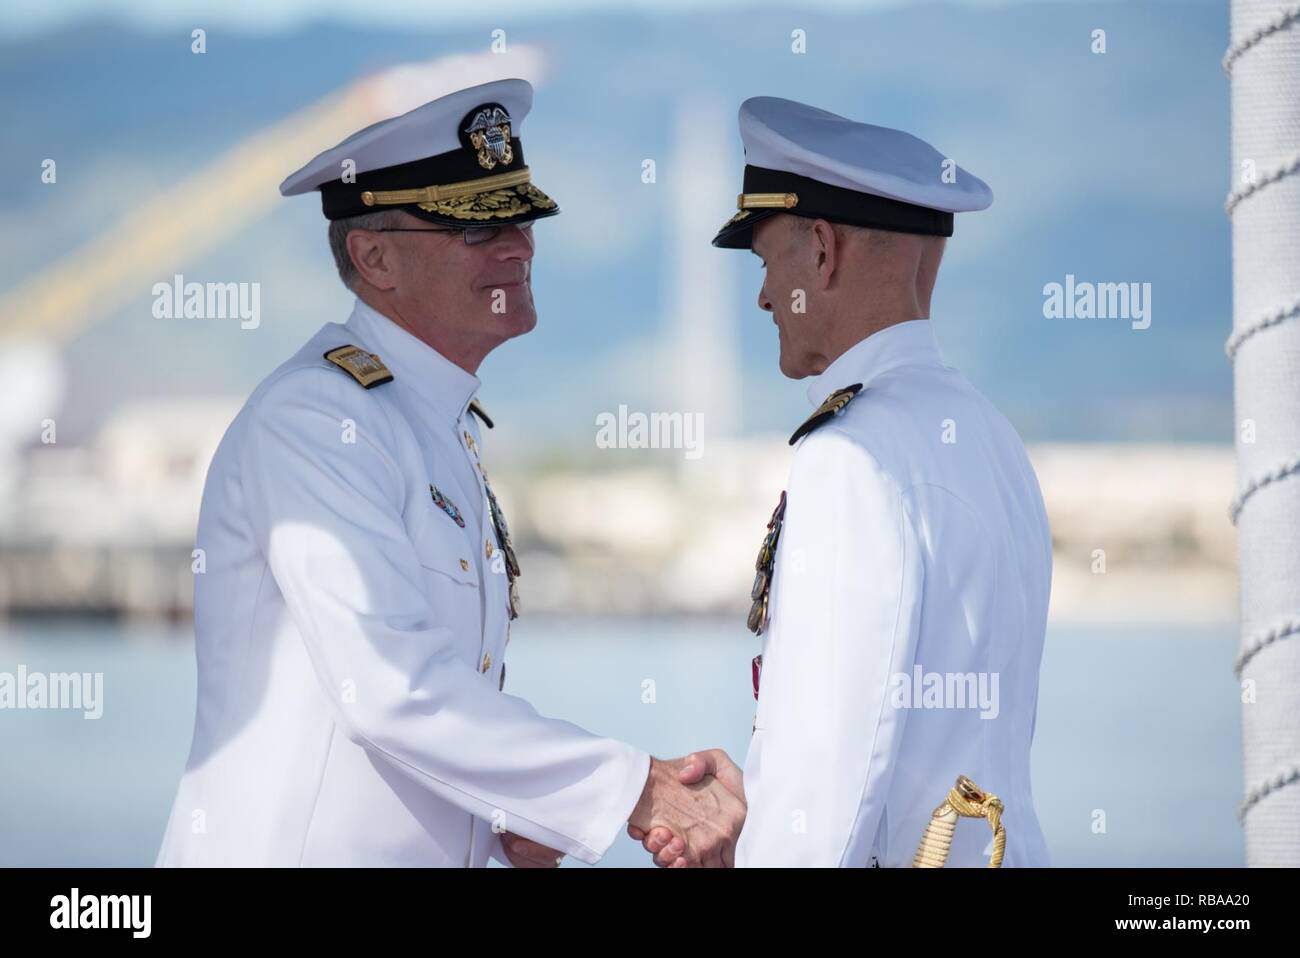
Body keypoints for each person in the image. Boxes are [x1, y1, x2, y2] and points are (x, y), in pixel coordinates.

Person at [155, 78, 744, 868]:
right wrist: (636, 790)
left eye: (522, 220)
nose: (519, 246)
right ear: (373, 255)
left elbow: (436, 709)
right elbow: (390, 690)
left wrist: (516, 830)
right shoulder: (319, 421)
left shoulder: (430, 423)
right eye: (476, 229)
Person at [633, 96, 1053, 867]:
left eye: (767, 263)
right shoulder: (993, 437)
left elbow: (832, 770)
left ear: (821, 250)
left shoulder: (851, 455)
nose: (763, 297)